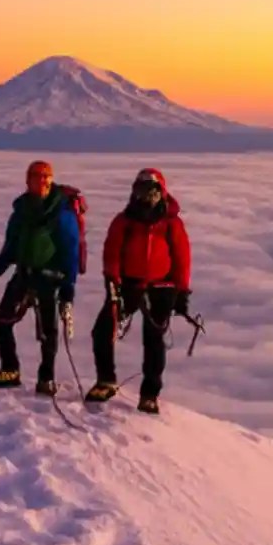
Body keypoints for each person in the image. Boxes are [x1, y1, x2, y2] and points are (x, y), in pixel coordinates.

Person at [86, 167, 191, 414]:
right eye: (141, 190)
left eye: (151, 191)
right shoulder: (124, 221)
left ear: (161, 192)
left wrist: (182, 292)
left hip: (161, 286)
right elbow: (111, 251)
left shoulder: (171, 223)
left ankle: (149, 394)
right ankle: (106, 380)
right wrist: (112, 279)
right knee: (103, 331)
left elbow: (182, 257)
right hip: (128, 285)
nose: (145, 197)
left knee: (153, 341)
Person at [0, 160, 81, 396]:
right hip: (24, 274)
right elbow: (12, 246)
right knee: (3, 321)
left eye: (47, 176)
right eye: (37, 175)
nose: (43, 180)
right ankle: (10, 369)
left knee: (48, 331)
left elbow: (71, 251)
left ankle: (46, 378)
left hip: (48, 278)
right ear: (28, 181)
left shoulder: (62, 213)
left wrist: (68, 286)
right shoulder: (21, 212)